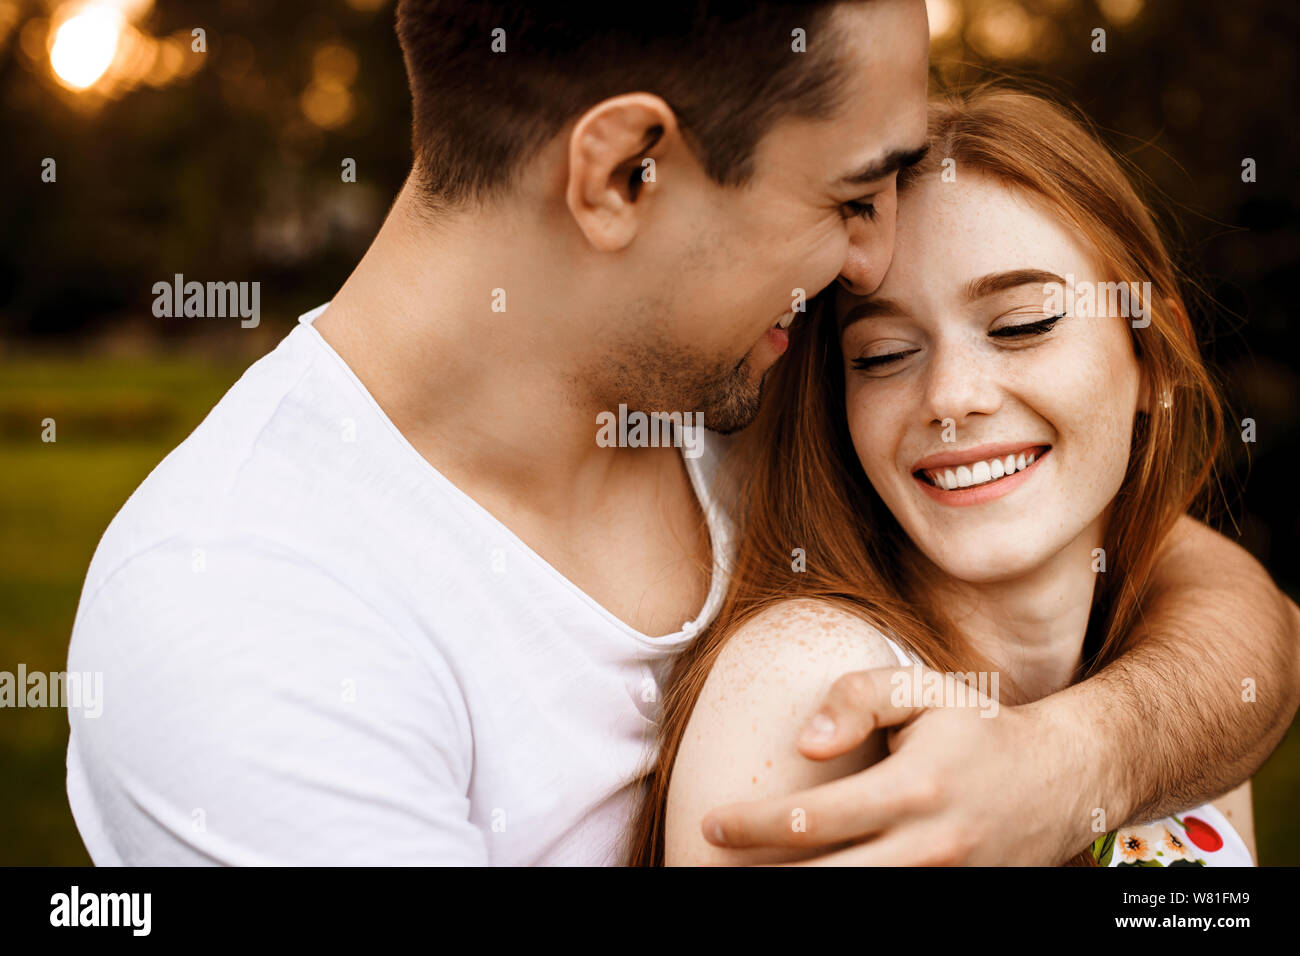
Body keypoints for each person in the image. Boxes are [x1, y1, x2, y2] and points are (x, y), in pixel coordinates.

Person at [66, 1, 1297, 866]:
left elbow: (1192, 573)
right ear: (624, 174)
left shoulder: (761, 389)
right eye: (850, 196)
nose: (872, 258)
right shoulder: (241, 615)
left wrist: (1079, 756)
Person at [633, 86, 1276, 867]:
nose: (950, 398)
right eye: (883, 356)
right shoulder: (814, 687)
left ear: (1154, 358)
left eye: (1022, 325)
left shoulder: (1175, 701)